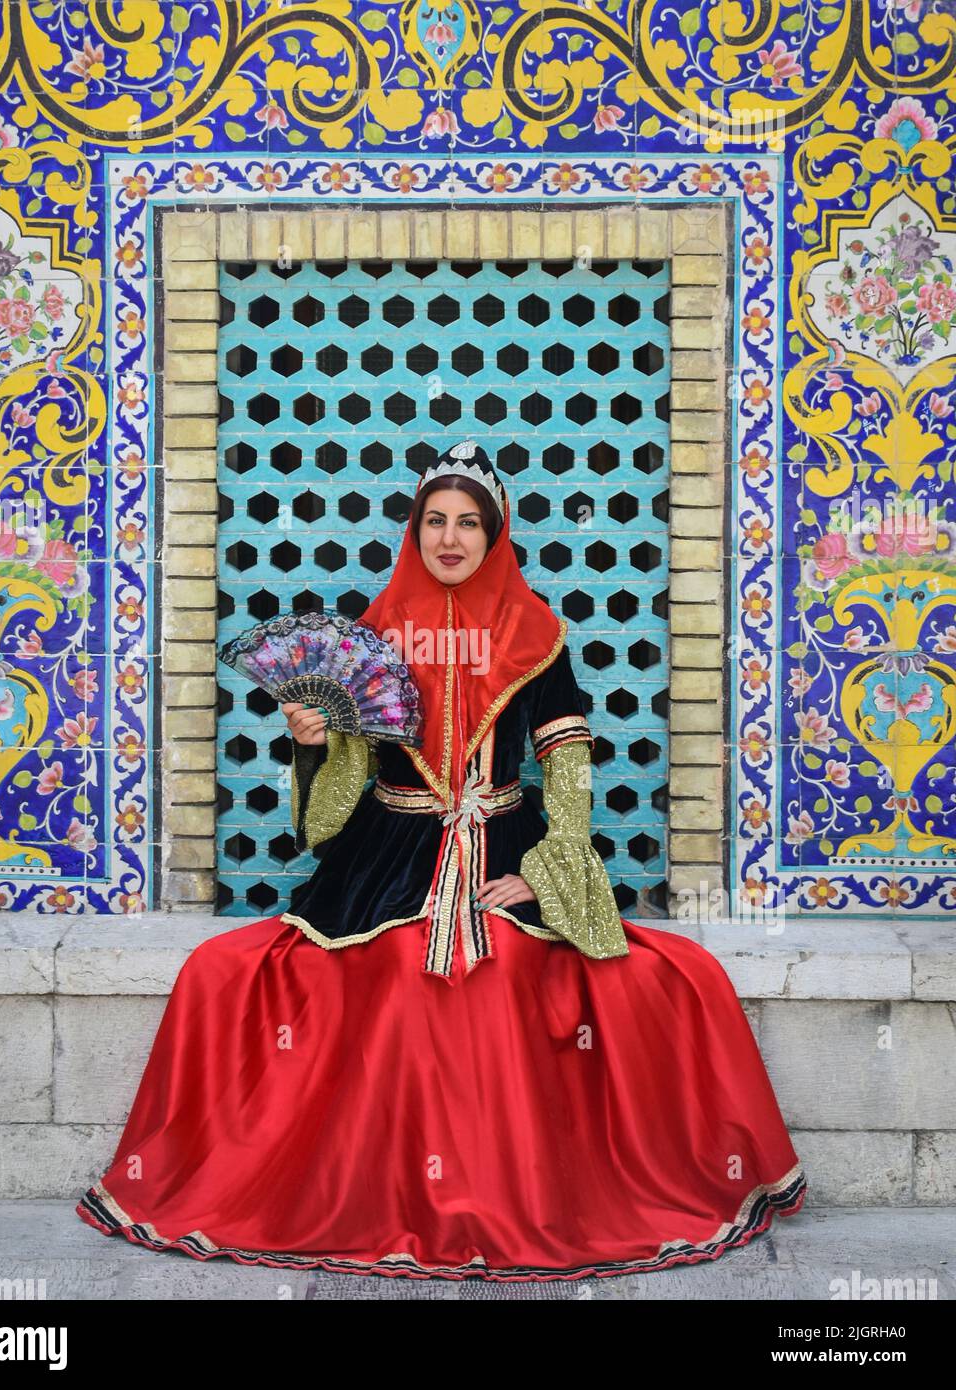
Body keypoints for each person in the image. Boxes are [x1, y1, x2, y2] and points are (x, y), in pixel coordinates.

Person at [76, 438, 807, 1282]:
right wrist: (311, 741)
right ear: (413, 530)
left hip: (502, 838)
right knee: (268, 973)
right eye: (435, 521)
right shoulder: (375, 633)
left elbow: (568, 768)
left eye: (469, 522)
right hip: (386, 854)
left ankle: (512, 1203)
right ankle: (339, 1194)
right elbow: (336, 798)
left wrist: (545, 869)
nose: (450, 538)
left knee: (534, 980)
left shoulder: (537, 636)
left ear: (496, 535)